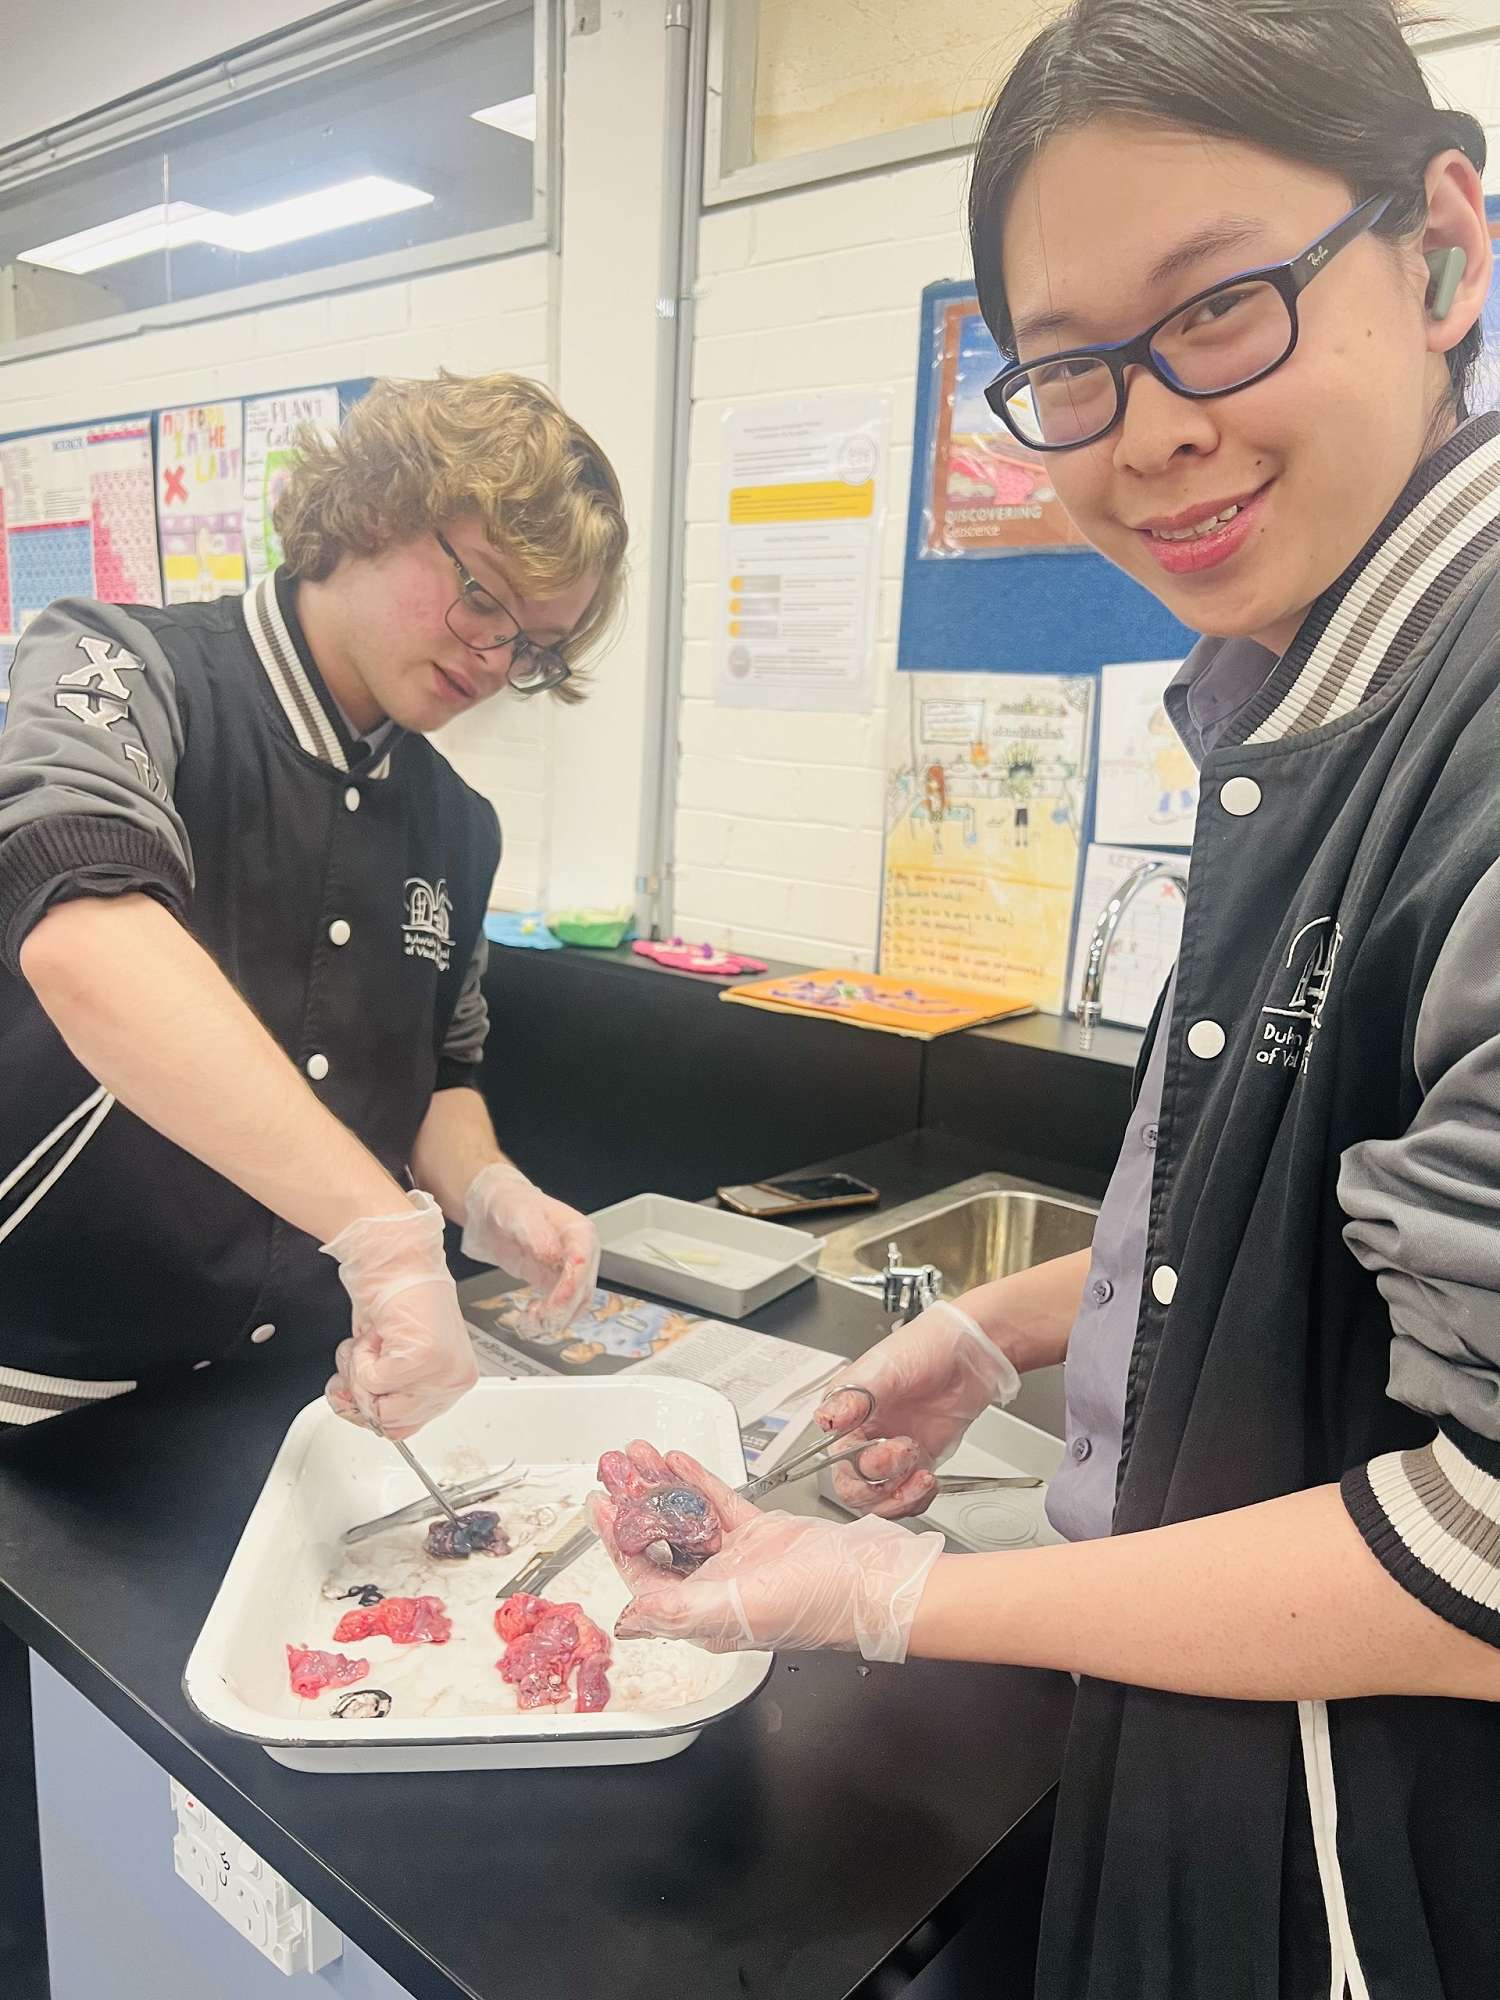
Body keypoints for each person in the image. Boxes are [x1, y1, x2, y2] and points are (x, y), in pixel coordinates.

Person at [592, 6, 1500, 1993]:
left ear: (1442, 250)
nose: (1152, 429)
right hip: (1208, 1788)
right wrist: (1015, 1334)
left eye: (1225, 310)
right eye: (1071, 369)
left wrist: (894, 1589)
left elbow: (1486, 1546)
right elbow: (1313, 1214)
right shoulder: (1314, 689)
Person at [0, 369, 626, 1437]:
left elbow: (438, 1080)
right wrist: (386, 1231)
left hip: (302, 1389)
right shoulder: (120, 664)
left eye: (531, 646)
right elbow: (87, 938)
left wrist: (491, 1195)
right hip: (50, 1397)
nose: (491, 656)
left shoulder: (458, 824)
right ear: (373, 507)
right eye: (482, 596)